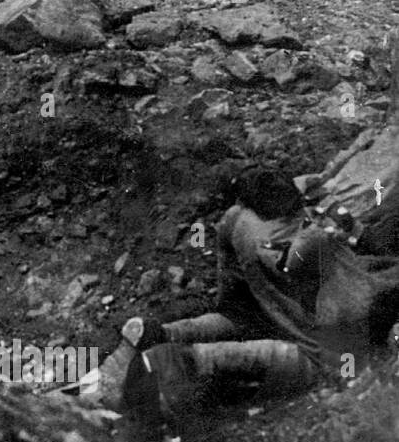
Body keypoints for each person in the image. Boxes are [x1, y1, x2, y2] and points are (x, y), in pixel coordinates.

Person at [84, 166, 399, 427]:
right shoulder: (316, 238)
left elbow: (235, 305)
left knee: (237, 319)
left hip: (268, 307)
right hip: (317, 347)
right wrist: (348, 229)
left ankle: (157, 339)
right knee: (212, 361)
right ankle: (158, 375)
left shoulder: (237, 219)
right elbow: (357, 274)